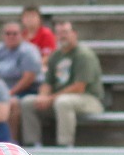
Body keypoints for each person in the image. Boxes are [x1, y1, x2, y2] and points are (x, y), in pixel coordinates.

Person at [29, 19, 103, 147]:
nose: (62, 36)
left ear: (75, 34)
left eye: (65, 32)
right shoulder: (55, 56)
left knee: (63, 102)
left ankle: (65, 145)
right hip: (59, 98)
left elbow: (79, 87)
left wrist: (50, 98)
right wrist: (42, 96)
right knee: (28, 102)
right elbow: (47, 83)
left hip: (89, 99)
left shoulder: (84, 55)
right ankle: (32, 144)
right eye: (58, 33)